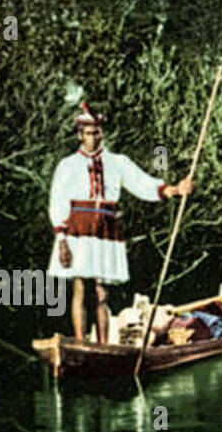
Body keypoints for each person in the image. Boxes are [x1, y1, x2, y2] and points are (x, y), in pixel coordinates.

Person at [47, 102, 193, 342]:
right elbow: (58, 201)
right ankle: (81, 341)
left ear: (102, 133)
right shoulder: (68, 165)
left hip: (106, 228)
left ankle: (103, 345)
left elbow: (143, 183)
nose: (92, 138)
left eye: (96, 132)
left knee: (102, 292)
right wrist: (61, 238)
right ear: (79, 135)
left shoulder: (117, 162)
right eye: (87, 133)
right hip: (78, 228)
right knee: (80, 289)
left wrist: (175, 189)